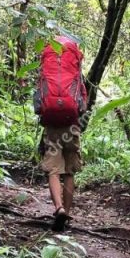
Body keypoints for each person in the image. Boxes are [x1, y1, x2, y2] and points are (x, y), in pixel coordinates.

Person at [35, 35, 88, 230]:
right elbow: (82, 101)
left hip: (51, 125)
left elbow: (38, 101)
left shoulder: (47, 61)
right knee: (70, 171)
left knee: (54, 170)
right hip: (71, 125)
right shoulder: (74, 66)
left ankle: (58, 209)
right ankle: (67, 210)